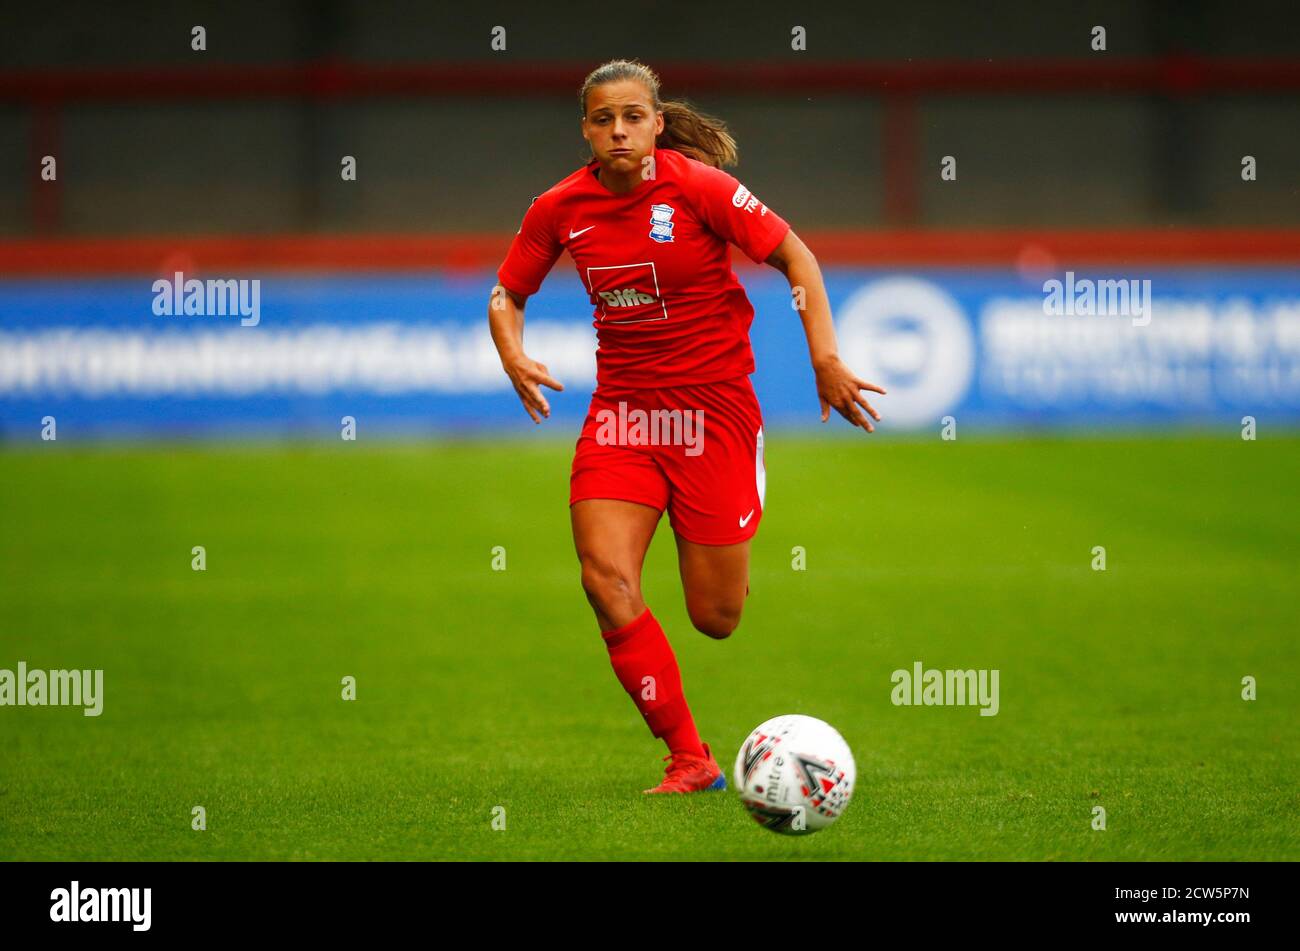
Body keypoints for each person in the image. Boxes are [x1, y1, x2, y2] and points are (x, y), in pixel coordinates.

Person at [488, 58, 885, 794]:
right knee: (606, 581)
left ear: (657, 122)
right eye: (603, 118)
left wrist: (824, 357)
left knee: (717, 617)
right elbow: (507, 291)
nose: (618, 130)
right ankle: (689, 756)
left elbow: (796, 256)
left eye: (632, 116)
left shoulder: (699, 188)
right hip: (624, 418)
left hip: (713, 415)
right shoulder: (559, 207)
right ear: (585, 128)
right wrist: (512, 352)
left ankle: (729, 524)